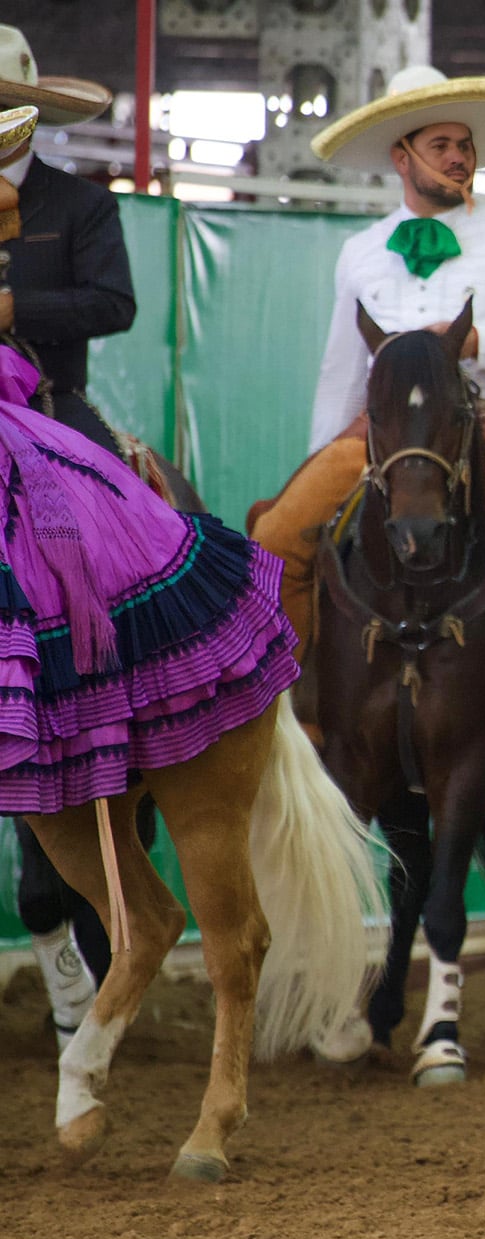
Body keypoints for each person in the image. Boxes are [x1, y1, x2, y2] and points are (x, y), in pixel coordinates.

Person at [248, 67, 485, 789]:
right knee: (276, 539)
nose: (459, 156)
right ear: (403, 157)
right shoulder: (361, 250)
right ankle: (302, 719)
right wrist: (322, 460)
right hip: (382, 441)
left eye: (464, 145)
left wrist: (480, 342)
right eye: (442, 144)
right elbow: (341, 365)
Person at [0, 31, 143, 1050]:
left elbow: (113, 304)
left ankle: (134, 670)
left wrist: (15, 307)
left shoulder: (80, 204)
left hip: (51, 404)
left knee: (133, 524)